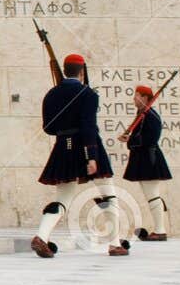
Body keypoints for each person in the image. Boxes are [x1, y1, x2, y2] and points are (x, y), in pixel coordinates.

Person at [32, 51, 127, 258]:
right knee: (108, 194)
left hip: (62, 147)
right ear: (82, 71)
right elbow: (88, 126)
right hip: (86, 146)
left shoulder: (52, 94)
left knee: (62, 198)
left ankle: (41, 236)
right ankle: (114, 243)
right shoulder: (88, 94)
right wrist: (91, 156)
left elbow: (48, 127)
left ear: (65, 71)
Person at [122, 84, 172, 242]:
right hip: (144, 158)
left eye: (136, 95)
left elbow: (151, 139)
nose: (134, 99)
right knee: (151, 196)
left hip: (150, 159)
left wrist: (130, 140)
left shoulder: (151, 115)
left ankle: (160, 230)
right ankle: (159, 229)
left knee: (153, 196)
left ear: (144, 97)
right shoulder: (142, 114)